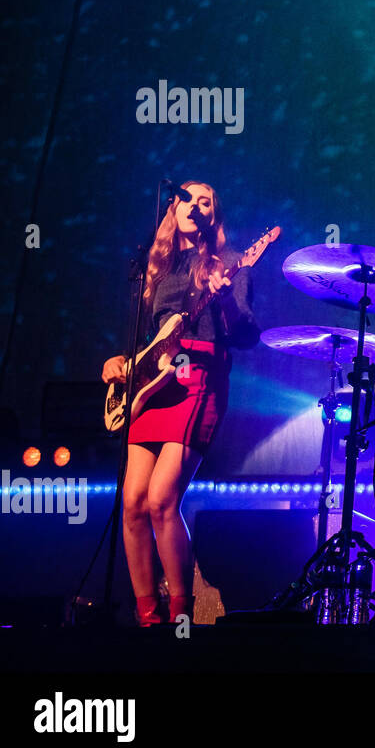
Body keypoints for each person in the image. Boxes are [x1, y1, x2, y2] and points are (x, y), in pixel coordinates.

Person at [101, 182, 259, 626]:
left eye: (205, 200)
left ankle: (180, 618)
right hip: (153, 386)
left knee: (161, 499)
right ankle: (147, 617)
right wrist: (120, 362)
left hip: (197, 381)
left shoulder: (230, 264)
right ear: (173, 209)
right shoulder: (158, 269)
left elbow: (246, 334)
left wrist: (224, 294)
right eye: (185, 198)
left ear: (214, 215)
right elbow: (149, 339)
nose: (194, 205)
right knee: (131, 501)